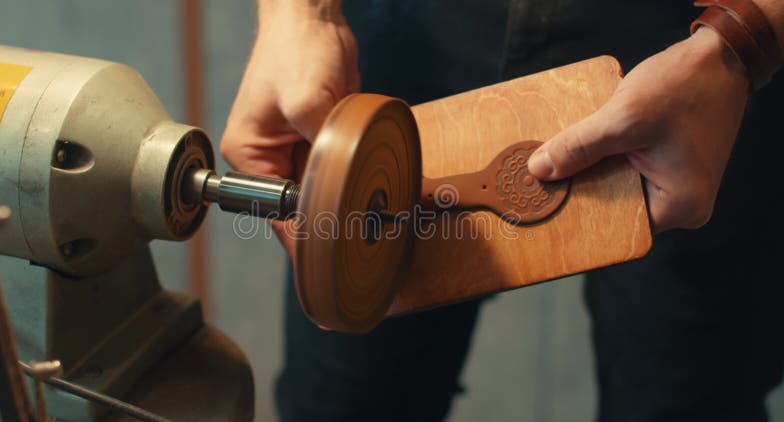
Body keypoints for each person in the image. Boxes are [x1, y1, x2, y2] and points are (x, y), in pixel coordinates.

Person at [221, 1, 784, 420]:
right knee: (343, 404)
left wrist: (742, 40)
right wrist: (300, 16)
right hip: (410, 29)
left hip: (688, 45)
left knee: (687, 398)